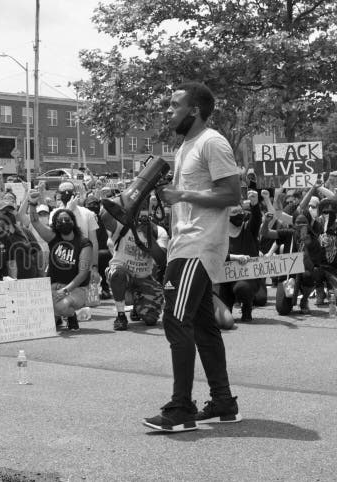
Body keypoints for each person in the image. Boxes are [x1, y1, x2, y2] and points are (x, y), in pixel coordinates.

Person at [143, 82, 242, 432]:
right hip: (186, 244)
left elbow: (232, 194)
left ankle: (181, 408)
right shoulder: (187, 145)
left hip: (197, 245)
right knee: (202, 325)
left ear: (195, 110)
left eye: (174, 105)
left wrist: (182, 194)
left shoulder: (212, 142)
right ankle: (223, 401)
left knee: (175, 319)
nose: (168, 111)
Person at [101, 206, 167, 331]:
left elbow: (161, 260)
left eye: (144, 211)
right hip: (122, 274)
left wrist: (148, 235)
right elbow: (104, 217)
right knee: (119, 274)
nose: (141, 216)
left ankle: (138, 307)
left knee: (150, 319)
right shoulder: (122, 226)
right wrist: (123, 201)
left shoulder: (158, 231)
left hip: (144, 279)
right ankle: (121, 316)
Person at [29, 205, 92, 331]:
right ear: (55, 225)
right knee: (37, 309)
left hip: (76, 289)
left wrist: (65, 290)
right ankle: (58, 317)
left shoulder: (84, 243)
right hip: (53, 286)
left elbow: (83, 274)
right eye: (60, 221)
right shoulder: (53, 238)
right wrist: (32, 204)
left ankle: (71, 314)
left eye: (67, 219)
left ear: (73, 222)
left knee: (58, 307)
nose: (64, 222)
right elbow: (35, 221)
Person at [221, 191, 263, 321]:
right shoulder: (220, 234)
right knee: (223, 320)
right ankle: (227, 307)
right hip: (225, 279)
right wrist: (235, 257)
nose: (239, 215)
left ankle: (247, 307)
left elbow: (256, 219)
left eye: (241, 212)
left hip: (248, 278)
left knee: (242, 288)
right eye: (235, 212)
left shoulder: (248, 229)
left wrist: (255, 203)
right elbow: (217, 255)